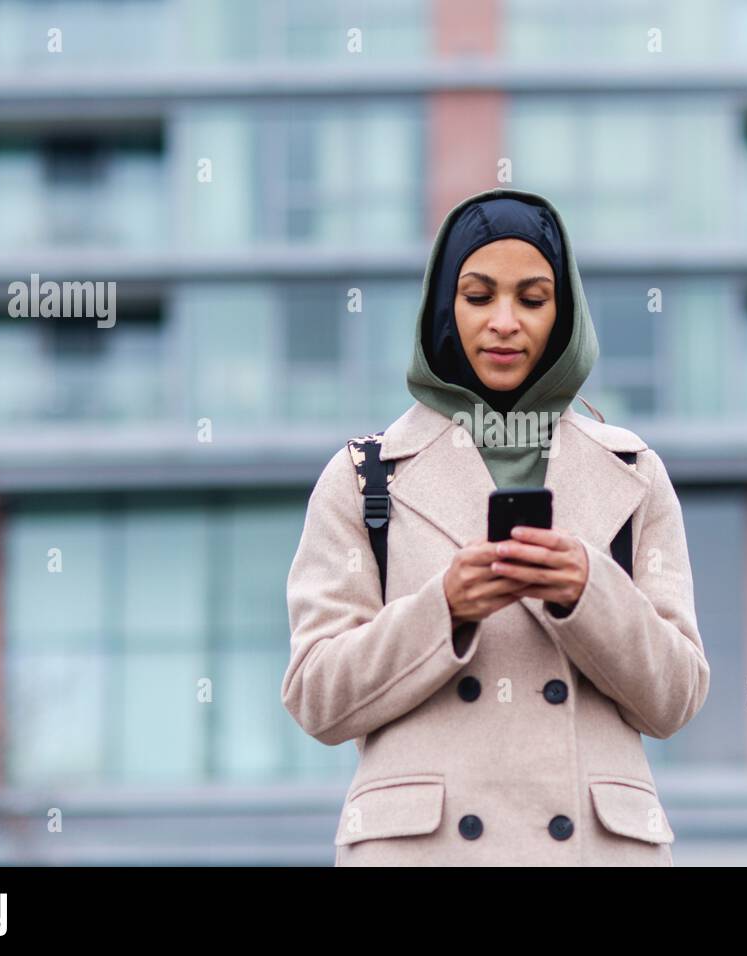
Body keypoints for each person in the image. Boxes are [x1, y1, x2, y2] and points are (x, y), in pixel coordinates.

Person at [282, 186, 710, 866]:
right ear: (444, 308)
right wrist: (443, 611)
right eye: (479, 296)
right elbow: (316, 696)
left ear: (563, 311)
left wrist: (588, 593)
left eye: (532, 299)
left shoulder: (634, 471)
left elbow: (676, 697)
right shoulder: (365, 476)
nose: (504, 322)